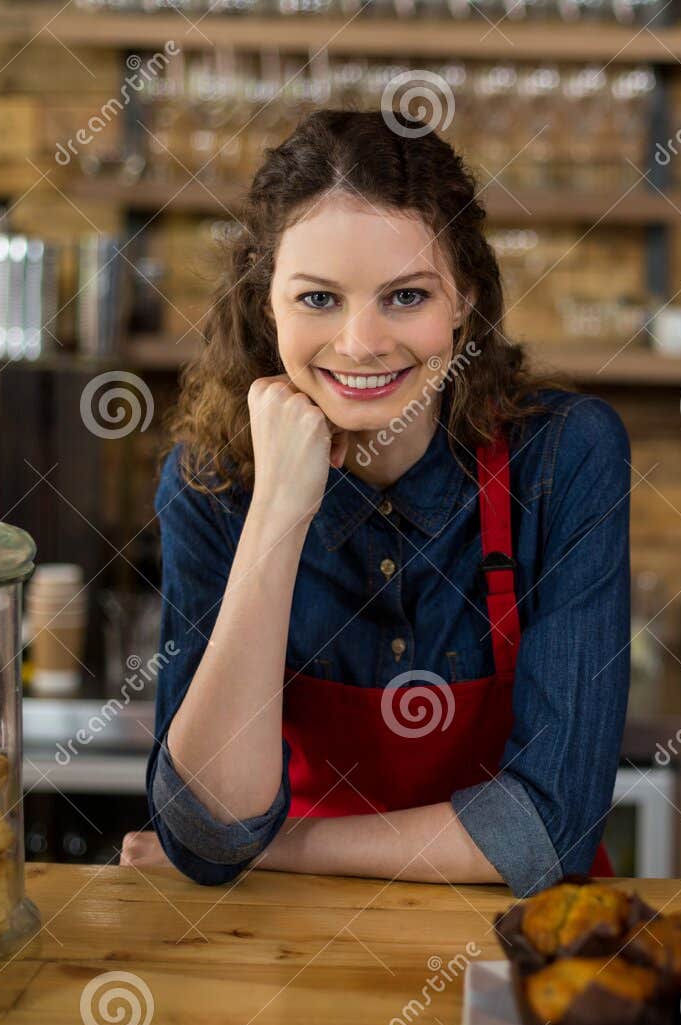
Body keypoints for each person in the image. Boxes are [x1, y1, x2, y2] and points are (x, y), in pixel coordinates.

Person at [119, 109, 631, 898]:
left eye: (405, 296)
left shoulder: (567, 457)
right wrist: (278, 514)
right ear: (268, 306)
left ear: (464, 297)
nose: (360, 342)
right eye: (319, 298)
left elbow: (546, 830)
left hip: (520, 954)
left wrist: (277, 848)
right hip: (287, 962)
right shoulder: (211, 481)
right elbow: (208, 821)